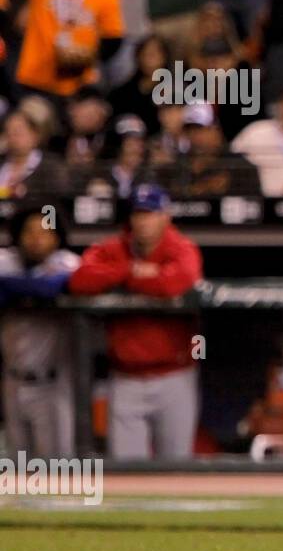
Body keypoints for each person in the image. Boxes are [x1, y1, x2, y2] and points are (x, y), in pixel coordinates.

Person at [66, 185, 204, 459]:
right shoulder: (113, 248)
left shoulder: (181, 247)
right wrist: (130, 271)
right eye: (139, 214)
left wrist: (124, 279)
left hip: (174, 377)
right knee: (128, 473)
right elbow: (80, 279)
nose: (143, 221)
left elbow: (177, 282)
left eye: (150, 213)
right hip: (125, 377)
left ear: (165, 216)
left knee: (177, 470)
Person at [0, 205, 81, 458]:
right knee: (16, 468)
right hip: (12, 380)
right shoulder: (6, 260)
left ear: (56, 237)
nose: (36, 238)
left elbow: (46, 289)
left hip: (53, 383)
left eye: (44, 232)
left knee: (55, 468)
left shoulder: (67, 262)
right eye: (29, 231)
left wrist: (13, 288)